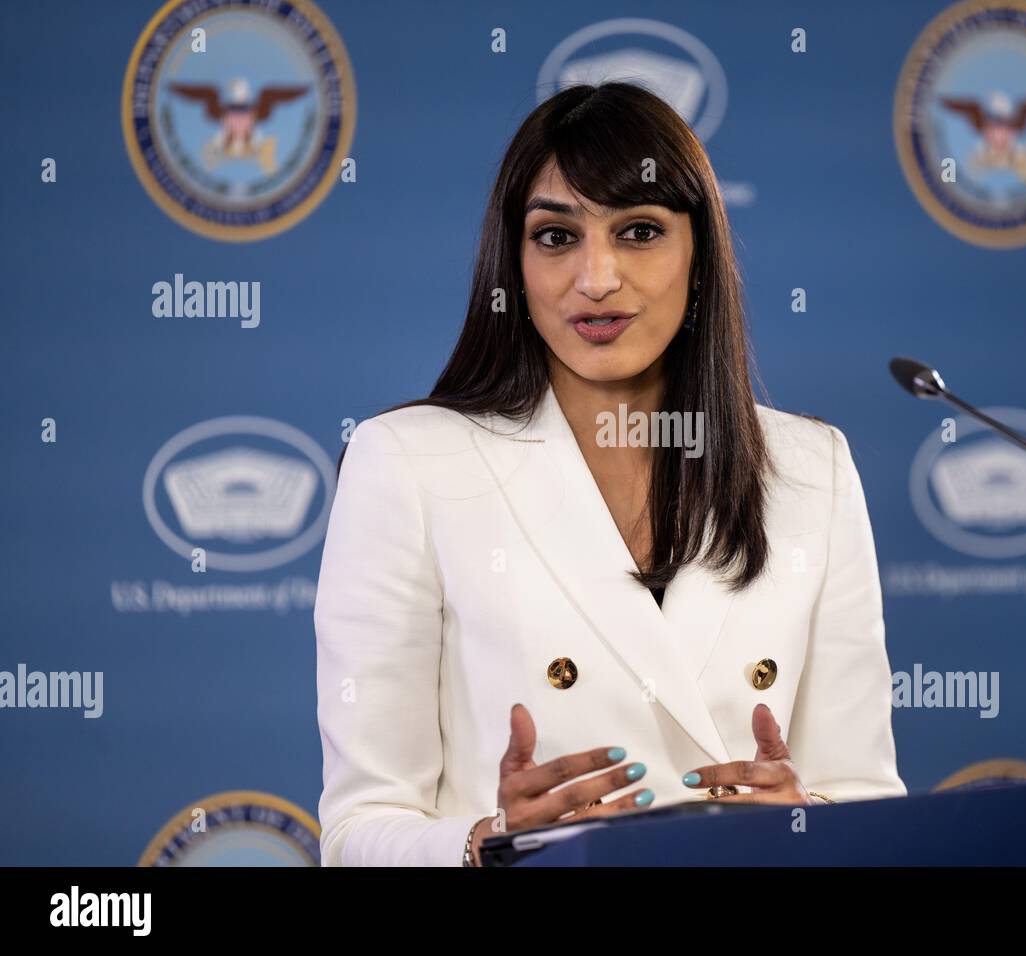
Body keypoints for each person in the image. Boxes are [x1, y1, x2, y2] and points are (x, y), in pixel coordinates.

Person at [314, 82, 905, 867]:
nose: (596, 278)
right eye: (556, 237)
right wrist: (485, 843)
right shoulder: (410, 463)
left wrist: (808, 823)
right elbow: (358, 830)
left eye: (638, 232)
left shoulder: (810, 471)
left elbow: (868, 804)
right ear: (513, 265)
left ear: (701, 259)